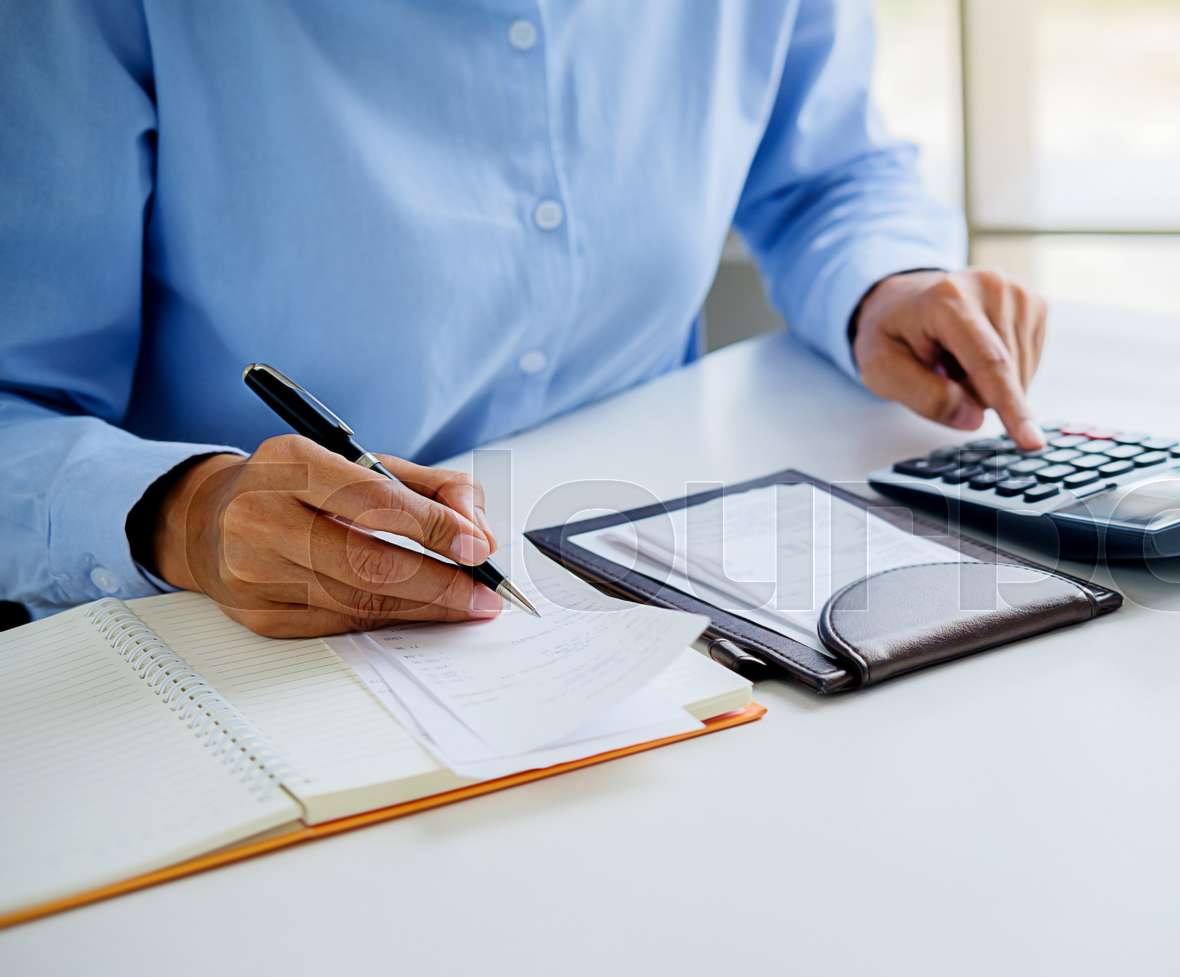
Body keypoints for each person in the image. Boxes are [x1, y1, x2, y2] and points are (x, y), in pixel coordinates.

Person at [0, 1, 1049, 636]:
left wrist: (884, 284)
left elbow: (829, 170)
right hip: (257, 640)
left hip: (666, 580)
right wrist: (188, 513)